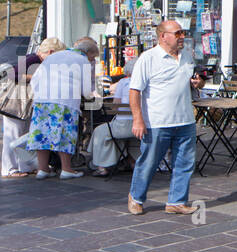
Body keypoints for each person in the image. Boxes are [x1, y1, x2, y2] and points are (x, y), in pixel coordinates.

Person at [128, 20, 203, 215]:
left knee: (185, 163)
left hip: (185, 119)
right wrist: (138, 119)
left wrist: (198, 83)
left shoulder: (186, 57)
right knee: (149, 162)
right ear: (163, 36)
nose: (182, 37)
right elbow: (135, 91)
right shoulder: (148, 58)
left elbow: (188, 82)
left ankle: (177, 201)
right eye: (177, 33)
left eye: (182, 33)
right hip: (157, 121)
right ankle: (136, 197)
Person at [27, 36, 97, 180]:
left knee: (42, 135)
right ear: (87, 53)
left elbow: (35, 80)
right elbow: (86, 91)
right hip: (65, 101)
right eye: (93, 57)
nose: (92, 60)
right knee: (65, 134)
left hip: (42, 100)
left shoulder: (55, 56)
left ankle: (43, 169)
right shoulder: (82, 61)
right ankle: (66, 169)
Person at [90, 59, 139, 176]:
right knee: (117, 134)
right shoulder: (147, 82)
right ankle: (131, 160)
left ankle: (102, 166)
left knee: (100, 131)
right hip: (142, 127)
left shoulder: (123, 82)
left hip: (123, 126)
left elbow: (116, 105)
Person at [1, 44, 42, 178]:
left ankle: (24, 165)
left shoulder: (34, 59)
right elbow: (13, 74)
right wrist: (33, 77)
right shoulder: (33, 59)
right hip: (15, 104)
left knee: (22, 135)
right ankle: (9, 168)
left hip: (21, 103)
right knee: (13, 135)